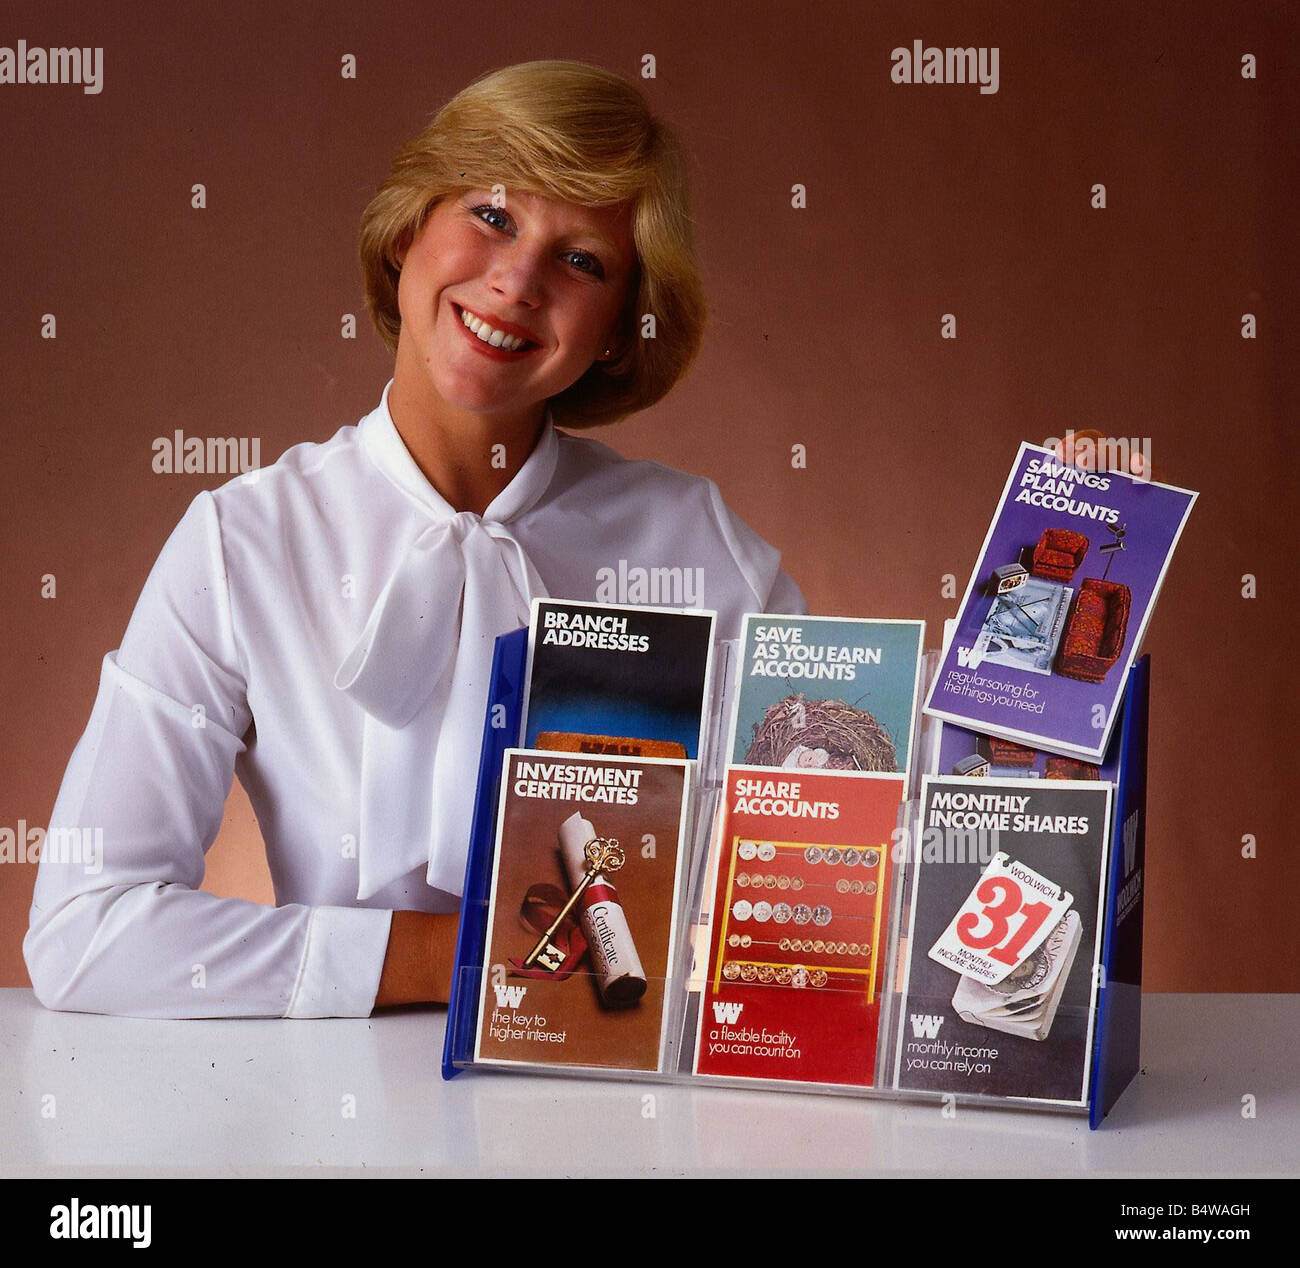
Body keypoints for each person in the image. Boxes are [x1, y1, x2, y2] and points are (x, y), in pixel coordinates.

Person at [23, 61, 805, 1018]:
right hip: (340, 1135)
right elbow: (85, 928)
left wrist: (1042, 573)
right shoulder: (243, 543)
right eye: (494, 216)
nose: (517, 281)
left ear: (614, 332)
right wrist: (485, 957)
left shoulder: (698, 544)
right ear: (405, 233)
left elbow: (831, 876)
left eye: (583, 262)